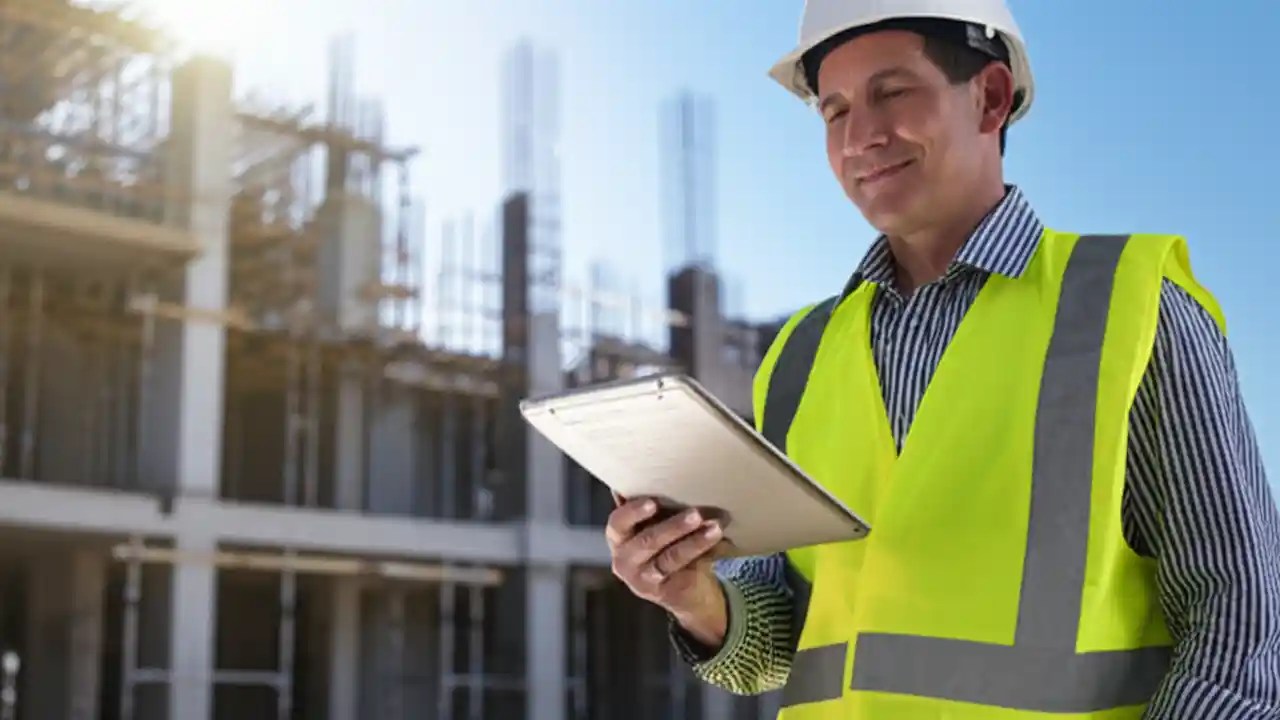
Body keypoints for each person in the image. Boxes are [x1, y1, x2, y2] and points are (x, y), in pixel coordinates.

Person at [604, 0, 1280, 717]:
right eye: (833, 112)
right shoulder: (802, 354)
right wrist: (695, 598)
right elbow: (784, 646)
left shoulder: (1128, 310)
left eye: (892, 93)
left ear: (989, 98)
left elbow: (1243, 635)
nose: (860, 136)